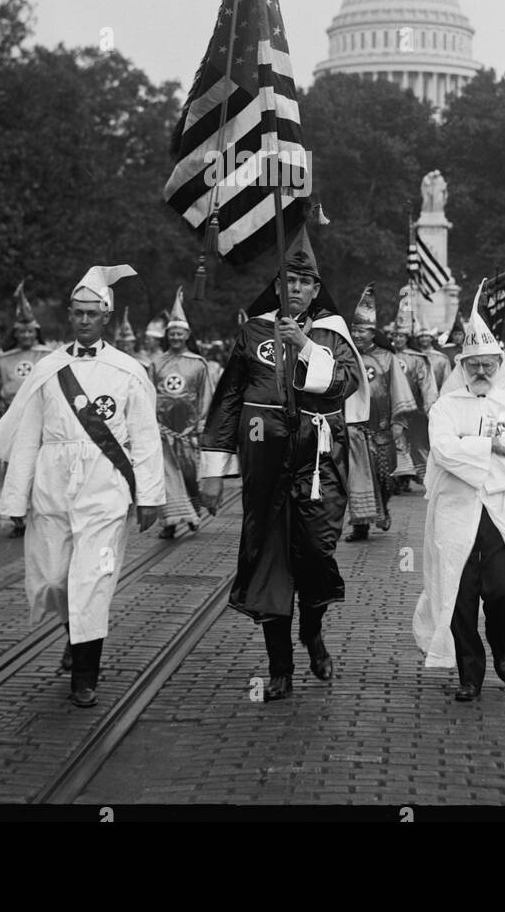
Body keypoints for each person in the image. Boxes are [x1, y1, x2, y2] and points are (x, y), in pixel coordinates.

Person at [0, 263, 165, 707]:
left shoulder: (129, 370)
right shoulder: (48, 368)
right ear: (70, 314)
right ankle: (74, 634)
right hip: (51, 487)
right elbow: (27, 437)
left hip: (105, 489)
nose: (84, 320)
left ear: (105, 316)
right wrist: (13, 499)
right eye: (78, 312)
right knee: (52, 581)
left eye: (92, 313)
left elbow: (144, 437)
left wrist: (150, 497)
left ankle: (85, 674)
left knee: (92, 580)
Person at [198, 229, 367, 701]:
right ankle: (280, 669)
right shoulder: (253, 331)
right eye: (287, 280)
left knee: (315, 554)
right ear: (277, 286)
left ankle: (311, 631)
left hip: (318, 466)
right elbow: (229, 399)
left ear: (315, 289)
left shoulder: (332, 332)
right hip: (265, 465)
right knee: (270, 561)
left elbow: (344, 385)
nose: (294, 288)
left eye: (303, 282)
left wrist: (307, 347)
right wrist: (213, 471)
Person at [413, 285, 505, 701]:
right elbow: (443, 449)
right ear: (463, 366)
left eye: (487, 365)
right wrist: (488, 449)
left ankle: (498, 640)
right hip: (457, 514)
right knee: (458, 595)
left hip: (501, 511)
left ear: (499, 364)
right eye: (473, 365)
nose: (481, 372)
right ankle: (469, 676)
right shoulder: (446, 407)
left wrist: (481, 464)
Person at [345, 285, 416, 541]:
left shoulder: (387, 358)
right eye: (354, 330)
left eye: (362, 330)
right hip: (353, 430)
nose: (357, 334)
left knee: (385, 478)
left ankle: (382, 507)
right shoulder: (345, 356)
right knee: (357, 480)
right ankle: (360, 525)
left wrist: (399, 422)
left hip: (382, 429)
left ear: (372, 333)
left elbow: (399, 390)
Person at [0, 282, 52, 537]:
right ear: (16, 334)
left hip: (40, 421)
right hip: (10, 421)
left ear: (36, 332)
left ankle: (40, 512)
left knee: (39, 468)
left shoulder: (49, 356)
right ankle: (17, 516)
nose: (26, 336)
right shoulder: (3, 361)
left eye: (30, 332)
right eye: (21, 332)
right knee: (12, 468)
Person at [151, 287, 213, 540]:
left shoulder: (198, 364)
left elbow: (206, 396)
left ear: (187, 335)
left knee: (188, 476)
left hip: (188, 431)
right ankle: (169, 522)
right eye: (172, 333)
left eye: (180, 333)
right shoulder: (156, 363)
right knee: (166, 477)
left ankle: (193, 514)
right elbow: (148, 395)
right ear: (168, 335)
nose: (176, 337)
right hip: (162, 430)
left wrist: (200, 424)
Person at [391, 303, 438, 490]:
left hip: (415, 409)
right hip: (393, 408)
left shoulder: (418, 359)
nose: (398, 339)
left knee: (417, 444)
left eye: (401, 336)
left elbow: (427, 385)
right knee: (396, 443)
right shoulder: (387, 356)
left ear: (408, 338)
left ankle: (423, 479)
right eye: (395, 335)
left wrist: (430, 406)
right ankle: (398, 480)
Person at [416, 325, 451, 392]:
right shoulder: (414, 357)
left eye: (426, 336)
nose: (424, 339)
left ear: (431, 338)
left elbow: (446, 379)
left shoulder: (441, 358)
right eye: (421, 337)